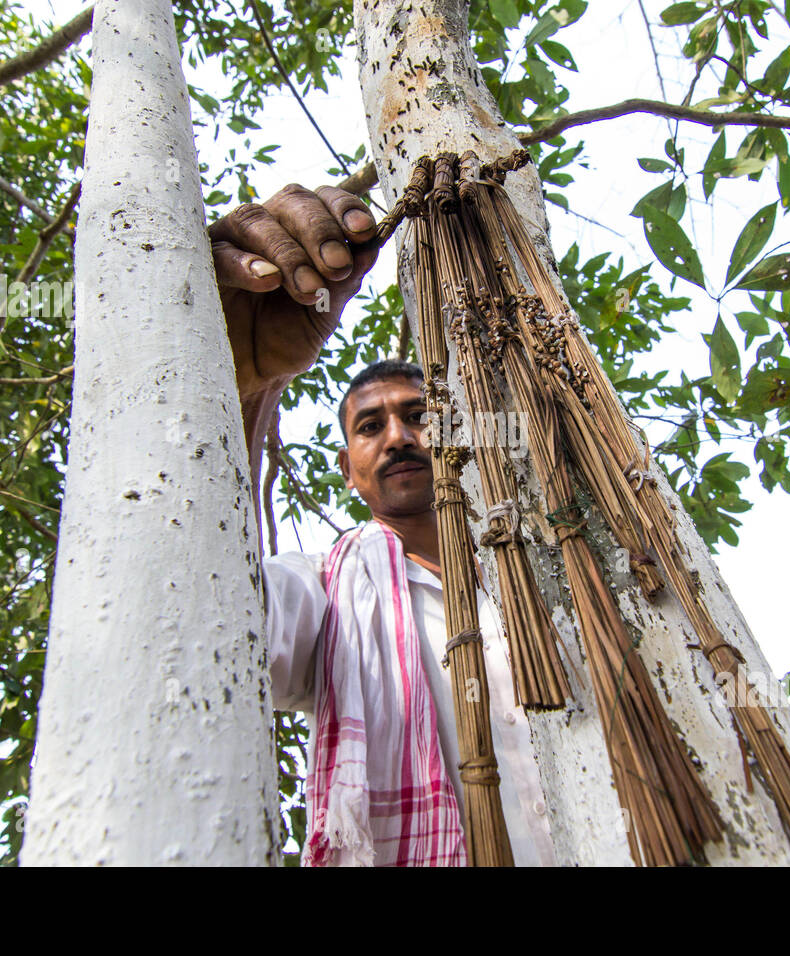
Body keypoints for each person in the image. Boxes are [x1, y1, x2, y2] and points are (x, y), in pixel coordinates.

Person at [210, 184, 555, 867]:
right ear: (349, 467)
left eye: (418, 416)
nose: (398, 436)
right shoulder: (324, 593)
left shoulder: (545, 563)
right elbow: (218, 622)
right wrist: (247, 387)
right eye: (372, 426)